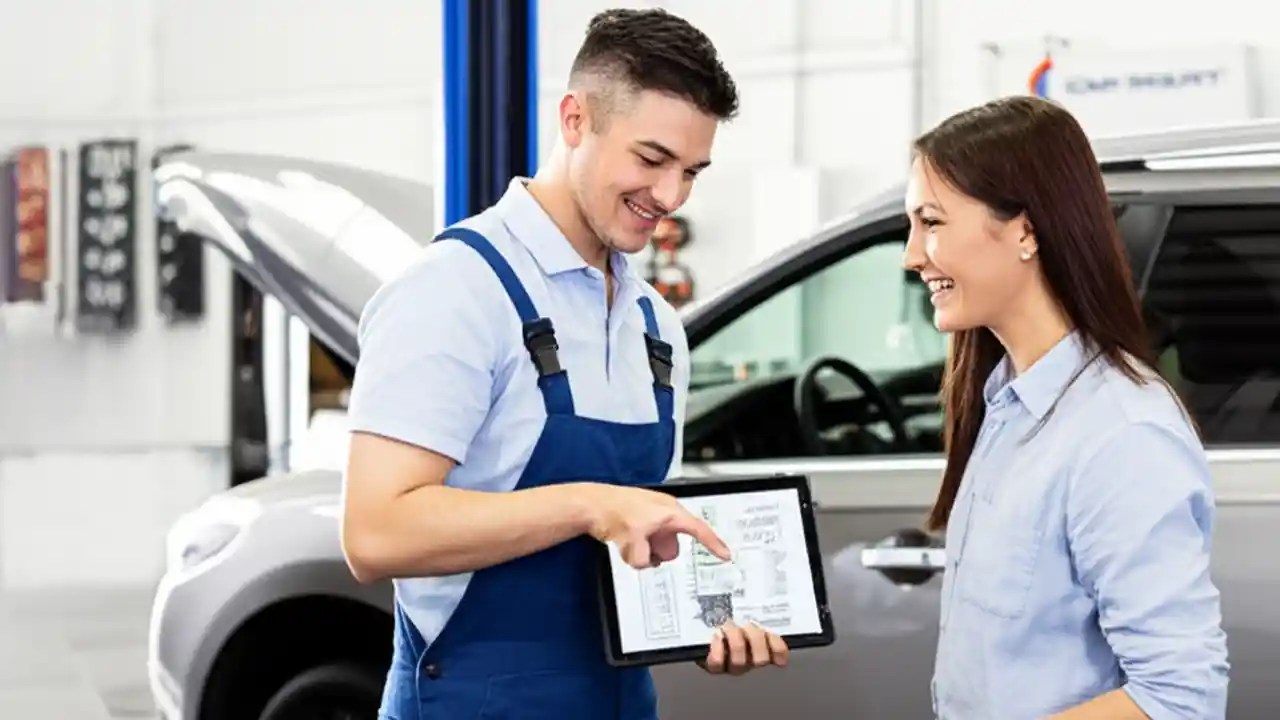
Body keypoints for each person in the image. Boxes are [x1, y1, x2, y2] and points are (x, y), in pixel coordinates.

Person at [341, 8, 789, 719]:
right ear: (575, 119)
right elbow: (374, 533)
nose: (670, 198)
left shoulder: (656, 328)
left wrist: (700, 622)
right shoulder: (455, 290)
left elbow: (634, 557)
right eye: (650, 160)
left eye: (691, 172)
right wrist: (589, 505)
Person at [901, 96, 1230, 719]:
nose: (912, 255)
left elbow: (1180, 698)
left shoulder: (1121, 434)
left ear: (1025, 230)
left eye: (932, 222)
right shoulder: (1006, 404)